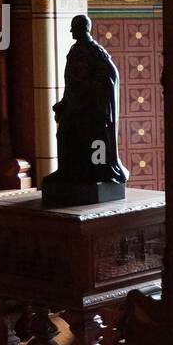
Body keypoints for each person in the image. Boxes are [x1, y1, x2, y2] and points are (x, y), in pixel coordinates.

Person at [42, 14, 128, 204]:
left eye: (74, 28)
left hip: (90, 107)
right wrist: (64, 101)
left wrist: (93, 92)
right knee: (64, 135)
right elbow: (71, 81)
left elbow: (110, 75)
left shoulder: (95, 51)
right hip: (74, 104)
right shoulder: (74, 50)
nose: (71, 31)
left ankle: (97, 173)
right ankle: (67, 171)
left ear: (83, 29)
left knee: (94, 141)